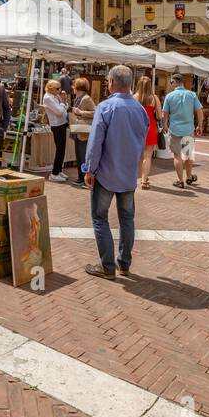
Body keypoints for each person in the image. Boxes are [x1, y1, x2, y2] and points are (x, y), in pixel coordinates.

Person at [82, 64, 150, 280]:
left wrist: (89, 169)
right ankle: (124, 264)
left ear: (111, 82)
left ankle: (107, 265)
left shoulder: (106, 107)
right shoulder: (139, 109)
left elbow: (95, 143)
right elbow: (143, 140)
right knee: (127, 219)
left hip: (106, 172)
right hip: (129, 172)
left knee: (100, 218)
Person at [160, 74, 203, 189]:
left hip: (175, 129)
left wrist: (164, 125)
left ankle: (180, 180)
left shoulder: (169, 96)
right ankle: (189, 176)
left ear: (174, 82)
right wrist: (200, 125)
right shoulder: (192, 95)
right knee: (188, 154)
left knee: (177, 155)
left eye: (171, 82)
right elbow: (199, 111)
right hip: (188, 129)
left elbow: (165, 113)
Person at [133, 74, 161, 189]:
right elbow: (159, 116)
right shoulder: (154, 98)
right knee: (147, 156)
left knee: (137, 156)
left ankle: (138, 177)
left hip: (136, 128)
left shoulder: (134, 97)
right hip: (151, 128)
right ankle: (144, 180)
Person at [69, 77, 96, 188]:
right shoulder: (79, 97)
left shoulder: (86, 98)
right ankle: (81, 178)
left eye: (74, 85)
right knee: (79, 156)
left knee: (83, 156)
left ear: (78, 87)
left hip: (83, 131)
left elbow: (95, 112)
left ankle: (85, 179)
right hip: (78, 131)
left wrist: (81, 112)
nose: (72, 87)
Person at [42, 78, 70, 182]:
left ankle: (58, 170)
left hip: (62, 123)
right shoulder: (48, 98)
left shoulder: (55, 95)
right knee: (59, 149)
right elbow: (59, 111)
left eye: (60, 88)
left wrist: (63, 103)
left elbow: (65, 107)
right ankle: (54, 173)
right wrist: (63, 103)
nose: (60, 90)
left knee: (62, 149)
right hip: (56, 125)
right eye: (57, 88)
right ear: (51, 89)